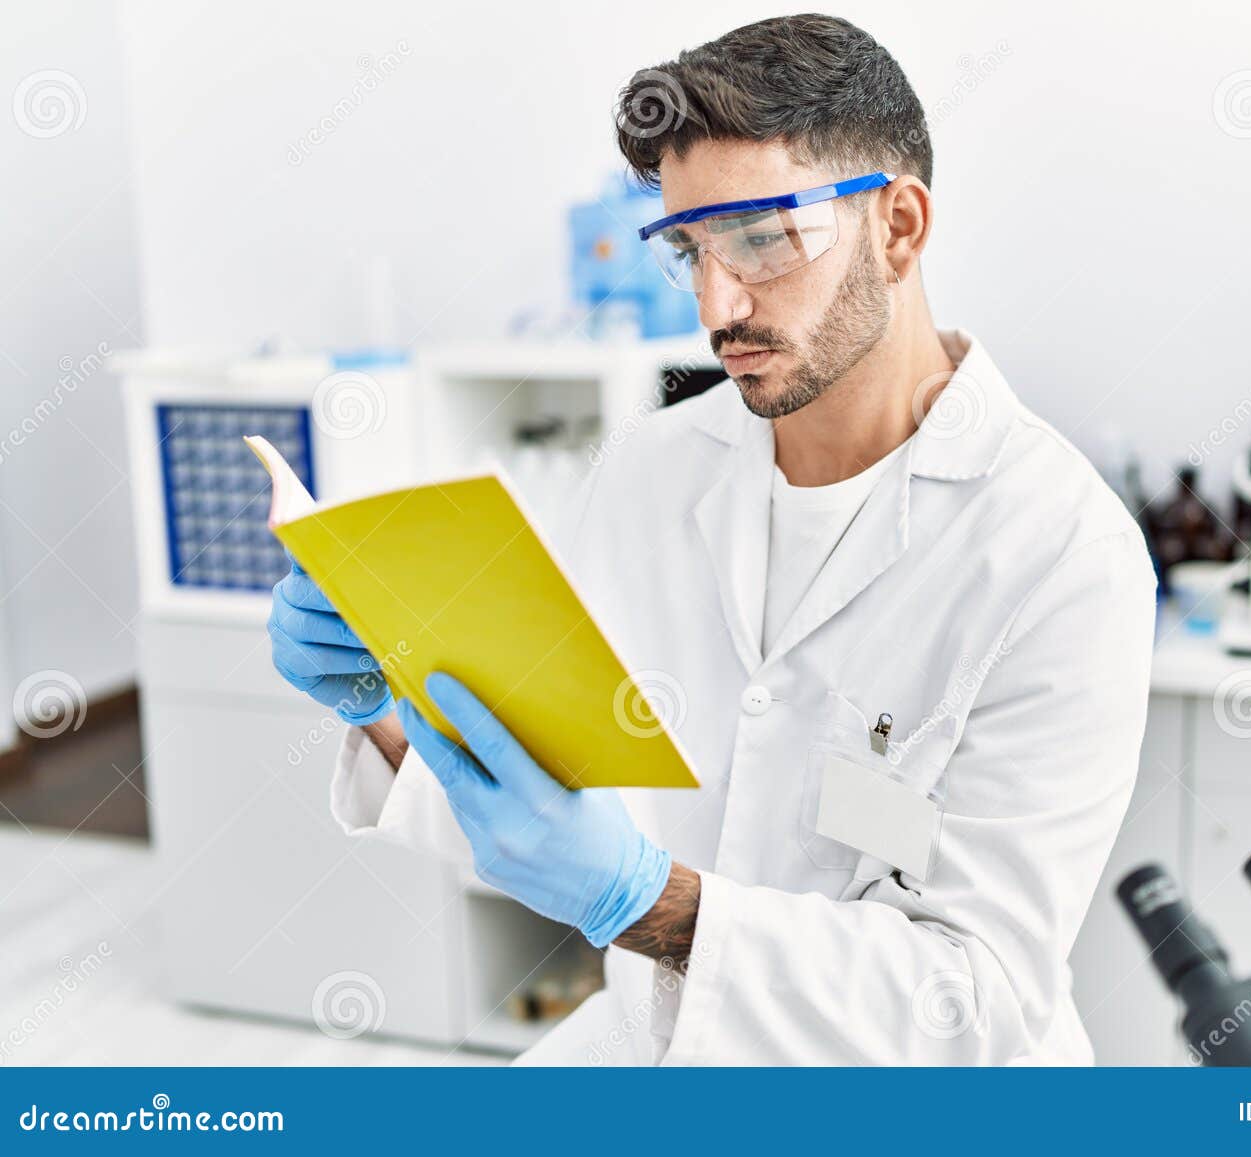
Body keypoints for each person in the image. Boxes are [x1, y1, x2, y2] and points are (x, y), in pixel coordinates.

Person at [268, 13, 1156, 1064]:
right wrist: (384, 705)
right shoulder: (649, 469)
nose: (716, 302)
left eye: (762, 237)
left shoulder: (1060, 551)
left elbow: (973, 995)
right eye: (688, 247)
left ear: (900, 228)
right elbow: (546, 811)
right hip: (660, 1040)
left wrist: (648, 902)